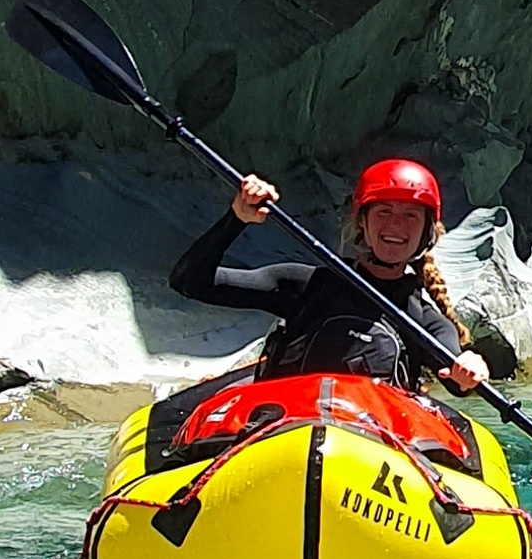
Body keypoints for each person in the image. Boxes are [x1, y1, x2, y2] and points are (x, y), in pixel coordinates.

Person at [169, 158, 491, 393]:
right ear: (362, 221)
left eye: (410, 215)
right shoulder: (308, 286)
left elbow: (455, 376)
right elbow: (189, 281)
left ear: (426, 232)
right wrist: (237, 218)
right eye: (384, 212)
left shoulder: (424, 320)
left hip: (369, 456)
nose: (395, 226)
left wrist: (469, 369)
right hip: (284, 433)